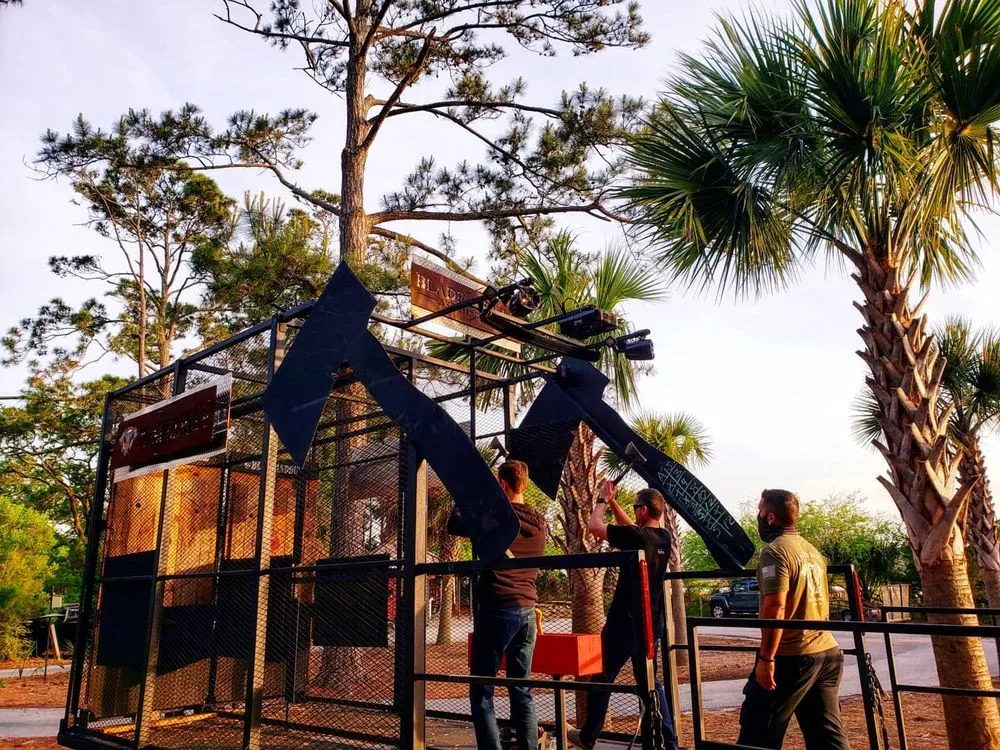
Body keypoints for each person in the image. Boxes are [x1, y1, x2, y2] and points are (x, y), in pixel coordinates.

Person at [567, 480, 679, 750]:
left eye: (635, 507)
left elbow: (594, 527)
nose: (634, 511)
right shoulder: (662, 538)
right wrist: (616, 503)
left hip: (624, 623)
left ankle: (588, 736)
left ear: (642, 510)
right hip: (650, 622)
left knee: (603, 677)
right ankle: (669, 743)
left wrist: (603, 501)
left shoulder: (638, 538)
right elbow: (632, 530)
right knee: (650, 682)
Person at [737, 489, 850, 750]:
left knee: (757, 730)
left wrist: (766, 659)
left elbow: (776, 607)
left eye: (760, 511)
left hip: (793, 656)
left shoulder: (774, 552)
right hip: (827, 653)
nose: (757, 516)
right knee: (827, 735)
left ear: (770, 518)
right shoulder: (812, 551)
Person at [448, 459, 547, 750]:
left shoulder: (497, 519)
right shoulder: (540, 523)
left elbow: (454, 522)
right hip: (528, 609)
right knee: (522, 690)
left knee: (482, 691)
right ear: (524, 484)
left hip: (497, 607)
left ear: (502, 485)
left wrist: (470, 494)